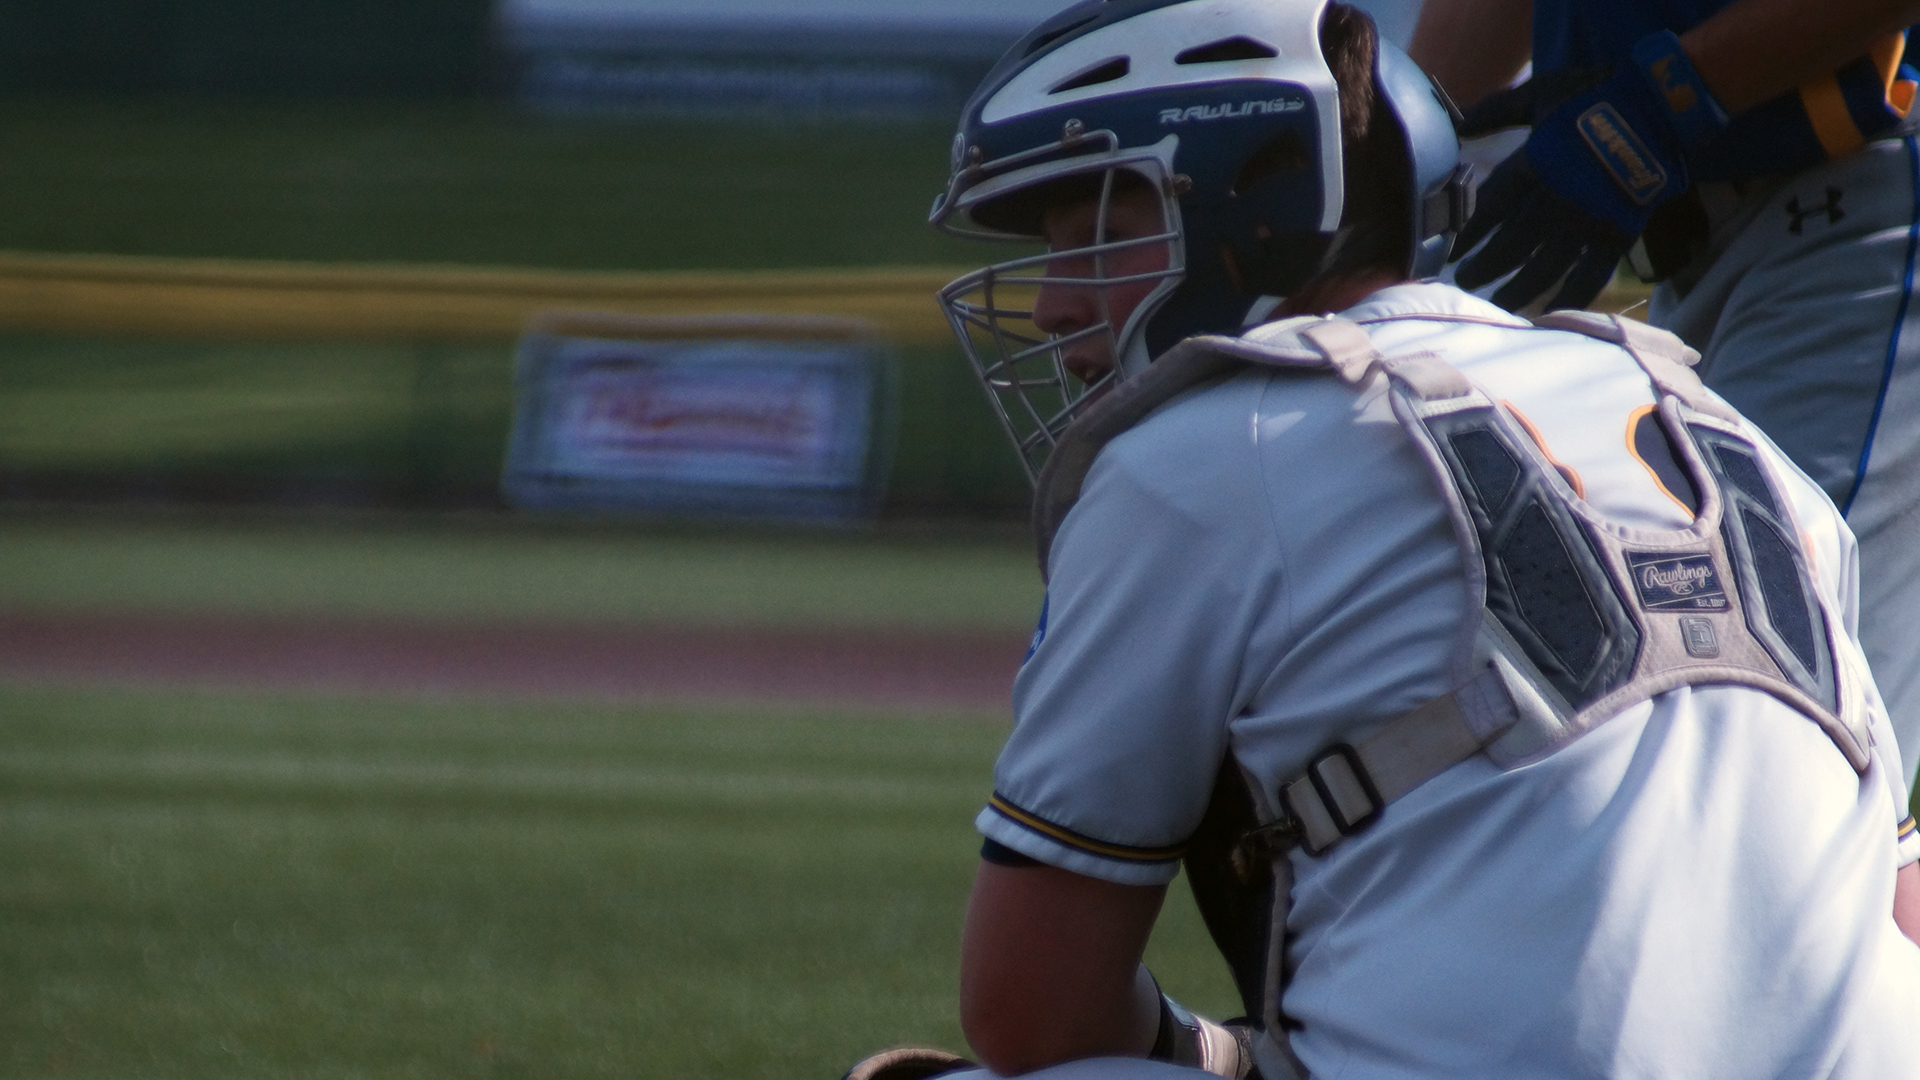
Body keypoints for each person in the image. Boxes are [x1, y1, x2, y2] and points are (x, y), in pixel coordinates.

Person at [848, 0, 1920, 1077]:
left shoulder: (1196, 458)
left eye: (1098, 231)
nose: (1050, 306)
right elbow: (1900, 914)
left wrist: (1218, 1054)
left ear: (1257, 208)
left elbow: (1031, 1013)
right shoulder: (1730, 436)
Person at [1407, 0, 1920, 790]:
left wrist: (1667, 99)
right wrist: (1398, 154)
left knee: (1784, 741)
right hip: (1690, 228)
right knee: (1713, 719)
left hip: (1863, 204)